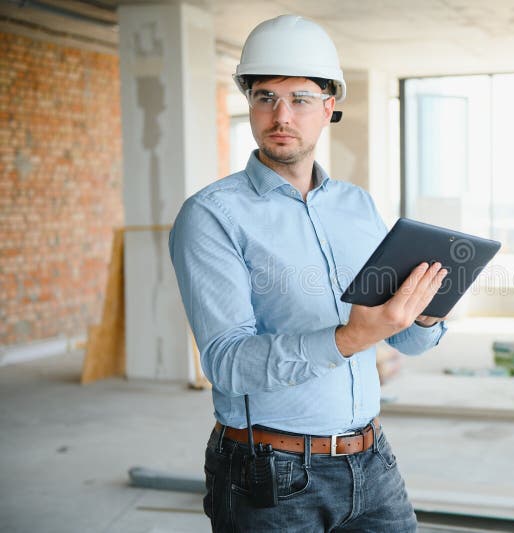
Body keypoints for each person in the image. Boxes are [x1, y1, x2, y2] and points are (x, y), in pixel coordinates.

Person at [169, 14, 448, 533]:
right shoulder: (212, 215)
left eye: (299, 98)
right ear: (248, 104)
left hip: (373, 461)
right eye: (264, 97)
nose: (281, 115)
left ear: (329, 107)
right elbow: (227, 363)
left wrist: (423, 317)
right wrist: (347, 339)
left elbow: (406, 341)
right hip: (268, 475)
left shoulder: (357, 205)